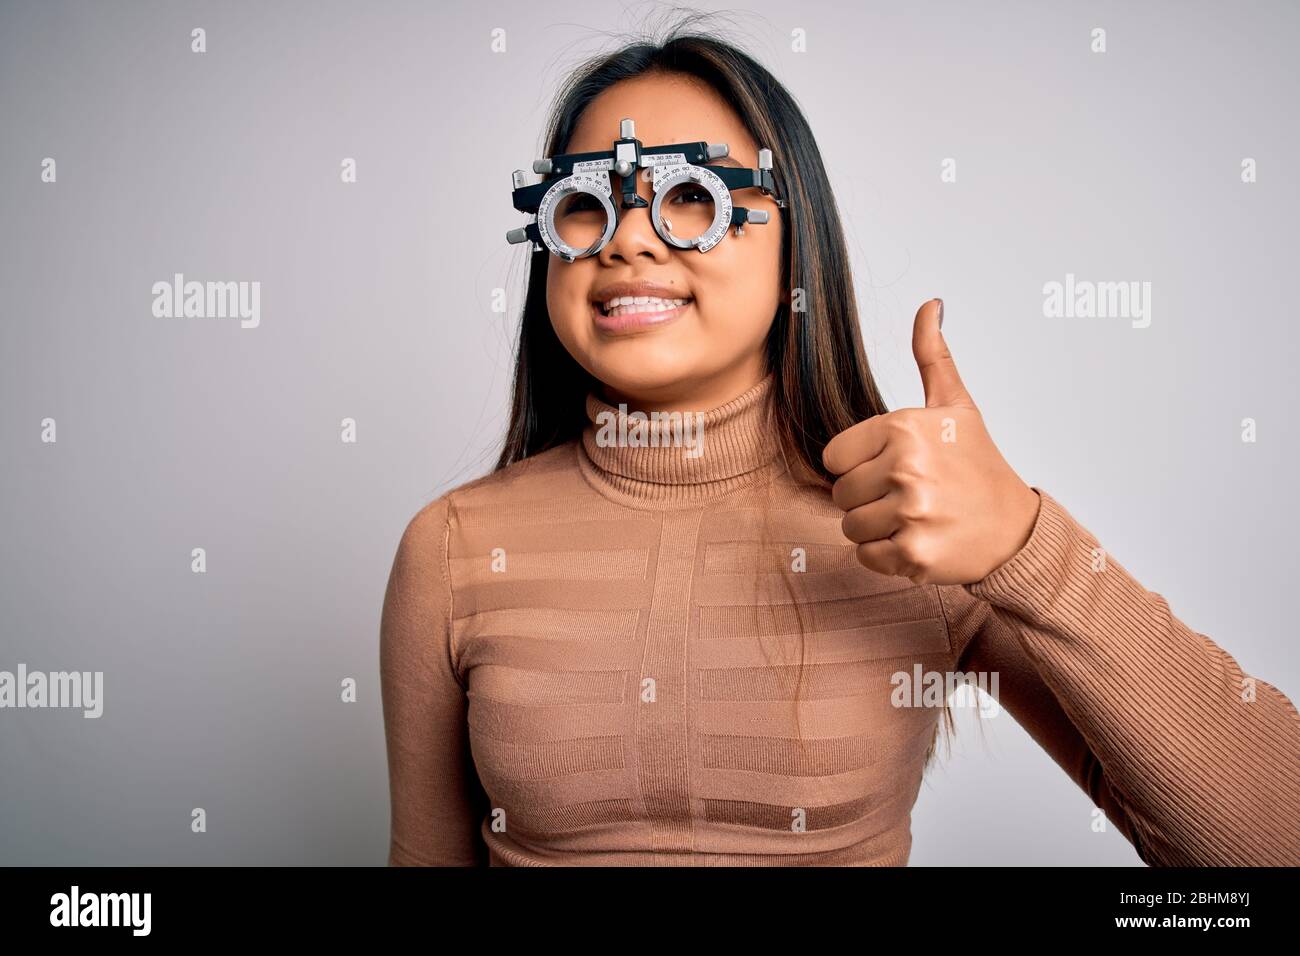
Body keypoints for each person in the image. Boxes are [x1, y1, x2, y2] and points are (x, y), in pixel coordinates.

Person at [379, 26, 1300, 866]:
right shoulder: (454, 550)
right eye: (585, 206)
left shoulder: (913, 530)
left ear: (796, 241)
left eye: (689, 197)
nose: (625, 241)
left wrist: (1028, 545)